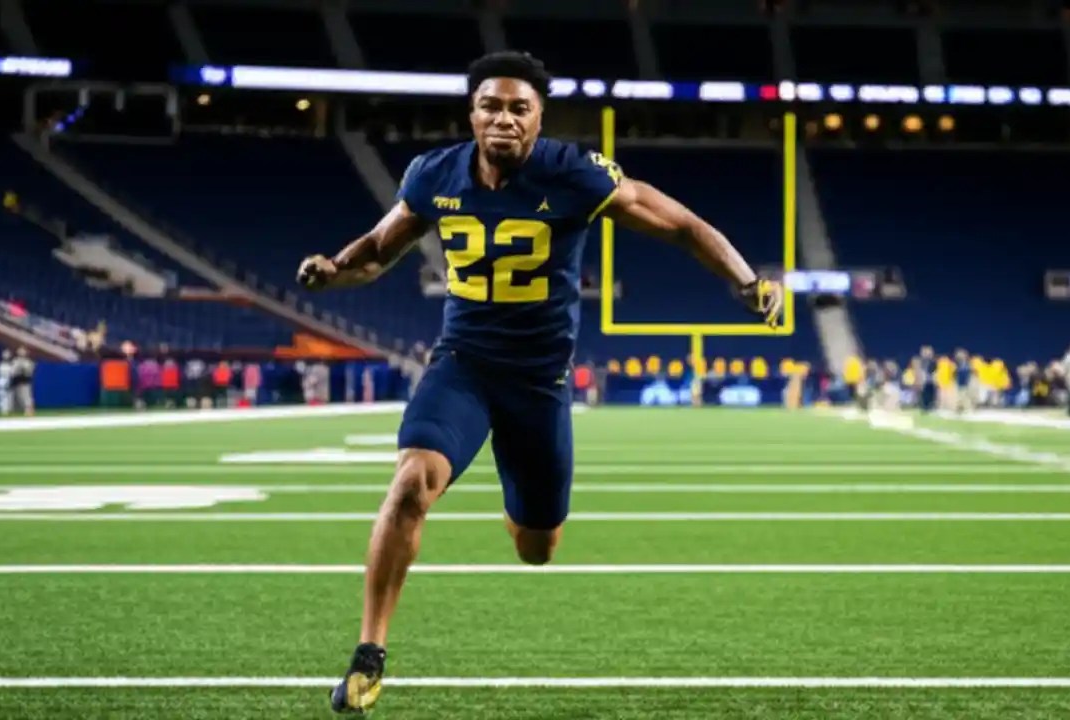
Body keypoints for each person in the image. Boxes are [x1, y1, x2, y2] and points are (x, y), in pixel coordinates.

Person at [297, 51, 785, 715]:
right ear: (472, 112)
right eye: (491, 105)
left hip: (540, 382)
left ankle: (517, 497)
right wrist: (334, 267)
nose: (503, 118)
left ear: (539, 118)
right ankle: (368, 655)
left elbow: (680, 223)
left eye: (518, 107)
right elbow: (380, 248)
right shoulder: (434, 173)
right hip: (463, 364)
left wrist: (747, 280)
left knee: (537, 547)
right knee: (412, 481)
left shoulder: (574, 172)